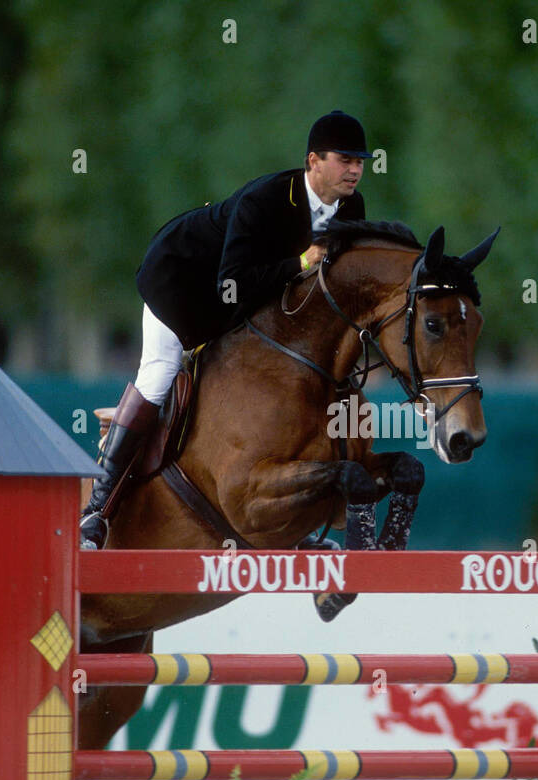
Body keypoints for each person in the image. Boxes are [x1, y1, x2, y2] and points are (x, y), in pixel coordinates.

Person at [80, 111, 372, 548]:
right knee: (160, 372)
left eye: (360, 161)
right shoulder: (267, 199)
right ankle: (99, 508)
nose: (355, 169)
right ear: (313, 160)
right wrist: (301, 263)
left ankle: (290, 521)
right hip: (183, 280)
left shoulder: (352, 207)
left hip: (251, 299)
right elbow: (232, 285)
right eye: (344, 159)